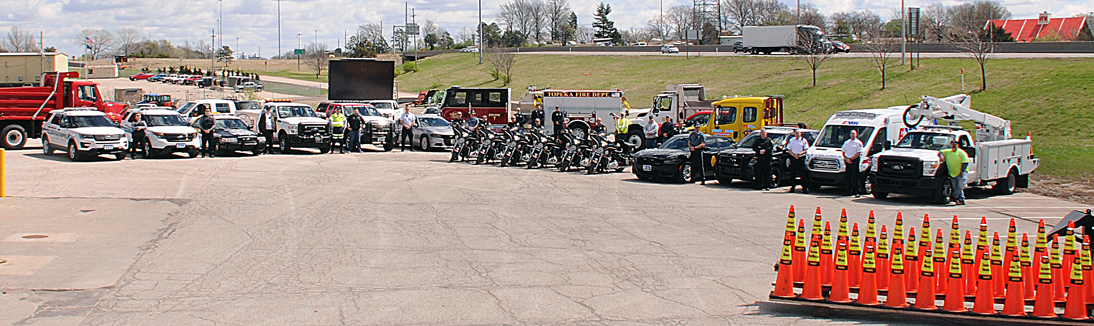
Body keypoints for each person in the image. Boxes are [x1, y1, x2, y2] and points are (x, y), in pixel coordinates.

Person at [940, 139, 969, 205]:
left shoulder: (961, 153)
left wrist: (962, 171)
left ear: (957, 145)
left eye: (955, 144)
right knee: (955, 186)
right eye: (952, 144)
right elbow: (940, 152)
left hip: (961, 173)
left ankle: (954, 197)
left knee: (960, 186)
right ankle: (961, 200)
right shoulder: (948, 152)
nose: (953, 146)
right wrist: (941, 157)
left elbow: (965, 162)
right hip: (952, 173)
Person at [842, 130, 865, 197]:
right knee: (848, 176)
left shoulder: (858, 143)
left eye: (854, 134)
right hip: (848, 160)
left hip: (855, 160)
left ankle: (857, 191)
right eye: (851, 133)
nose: (852, 135)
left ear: (856, 134)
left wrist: (851, 159)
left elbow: (858, 153)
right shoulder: (847, 142)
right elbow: (843, 151)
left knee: (855, 176)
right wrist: (847, 159)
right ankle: (848, 191)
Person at [786, 129, 811, 193]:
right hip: (794, 158)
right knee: (792, 174)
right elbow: (789, 149)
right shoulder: (792, 140)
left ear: (800, 134)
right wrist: (794, 155)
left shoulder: (803, 140)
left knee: (802, 174)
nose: (797, 135)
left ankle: (804, 188)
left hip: (801, 158)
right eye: (796, 133)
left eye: (798, 133)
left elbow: (806, 149)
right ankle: (792, 187)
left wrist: (799, 154)